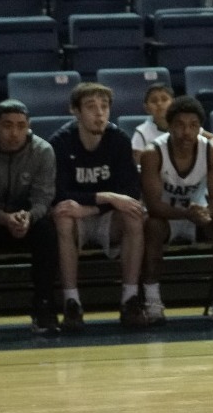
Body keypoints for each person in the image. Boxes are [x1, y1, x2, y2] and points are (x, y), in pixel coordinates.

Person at [49, 83, 147, 331]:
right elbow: (59, 194)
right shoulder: (61, 142)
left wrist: (93, 207)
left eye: (104, 107)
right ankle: (72, 302)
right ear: (76, 111)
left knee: (134, 213)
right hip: (76, 218)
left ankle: (130, 299)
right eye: (91, 107)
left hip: (102, 217)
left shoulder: (119, 139)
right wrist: (106, 197)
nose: (100, 113)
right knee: (62, 216)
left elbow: (130, 193)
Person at [0, 101, 60, 338]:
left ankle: (44, 307)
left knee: (47, 230)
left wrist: (29, 216)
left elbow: (43, 197)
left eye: (21, 126)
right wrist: (4, 218)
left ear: (28, 127)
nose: (14, 133)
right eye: (7, 125)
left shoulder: (43, 150)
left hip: (26, 220)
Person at [139, 96, 213, 325]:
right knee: (152, 226)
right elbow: (153, 205)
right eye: (180, 125)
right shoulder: (152, 153)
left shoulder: (211, 150)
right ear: (169, 125)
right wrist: (188, 214)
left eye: (193, 125)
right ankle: (153, 303)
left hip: (198, 215)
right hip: (166, 216)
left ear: (200, 127)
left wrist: (206, 213)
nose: (187, 131)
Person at [131, 83, 174, 163]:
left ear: (173, 103)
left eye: (164, 99)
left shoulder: (183, 125)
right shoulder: (141, 133)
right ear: (146, 108)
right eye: (154, 101)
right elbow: (138, 164)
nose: (159, 104)